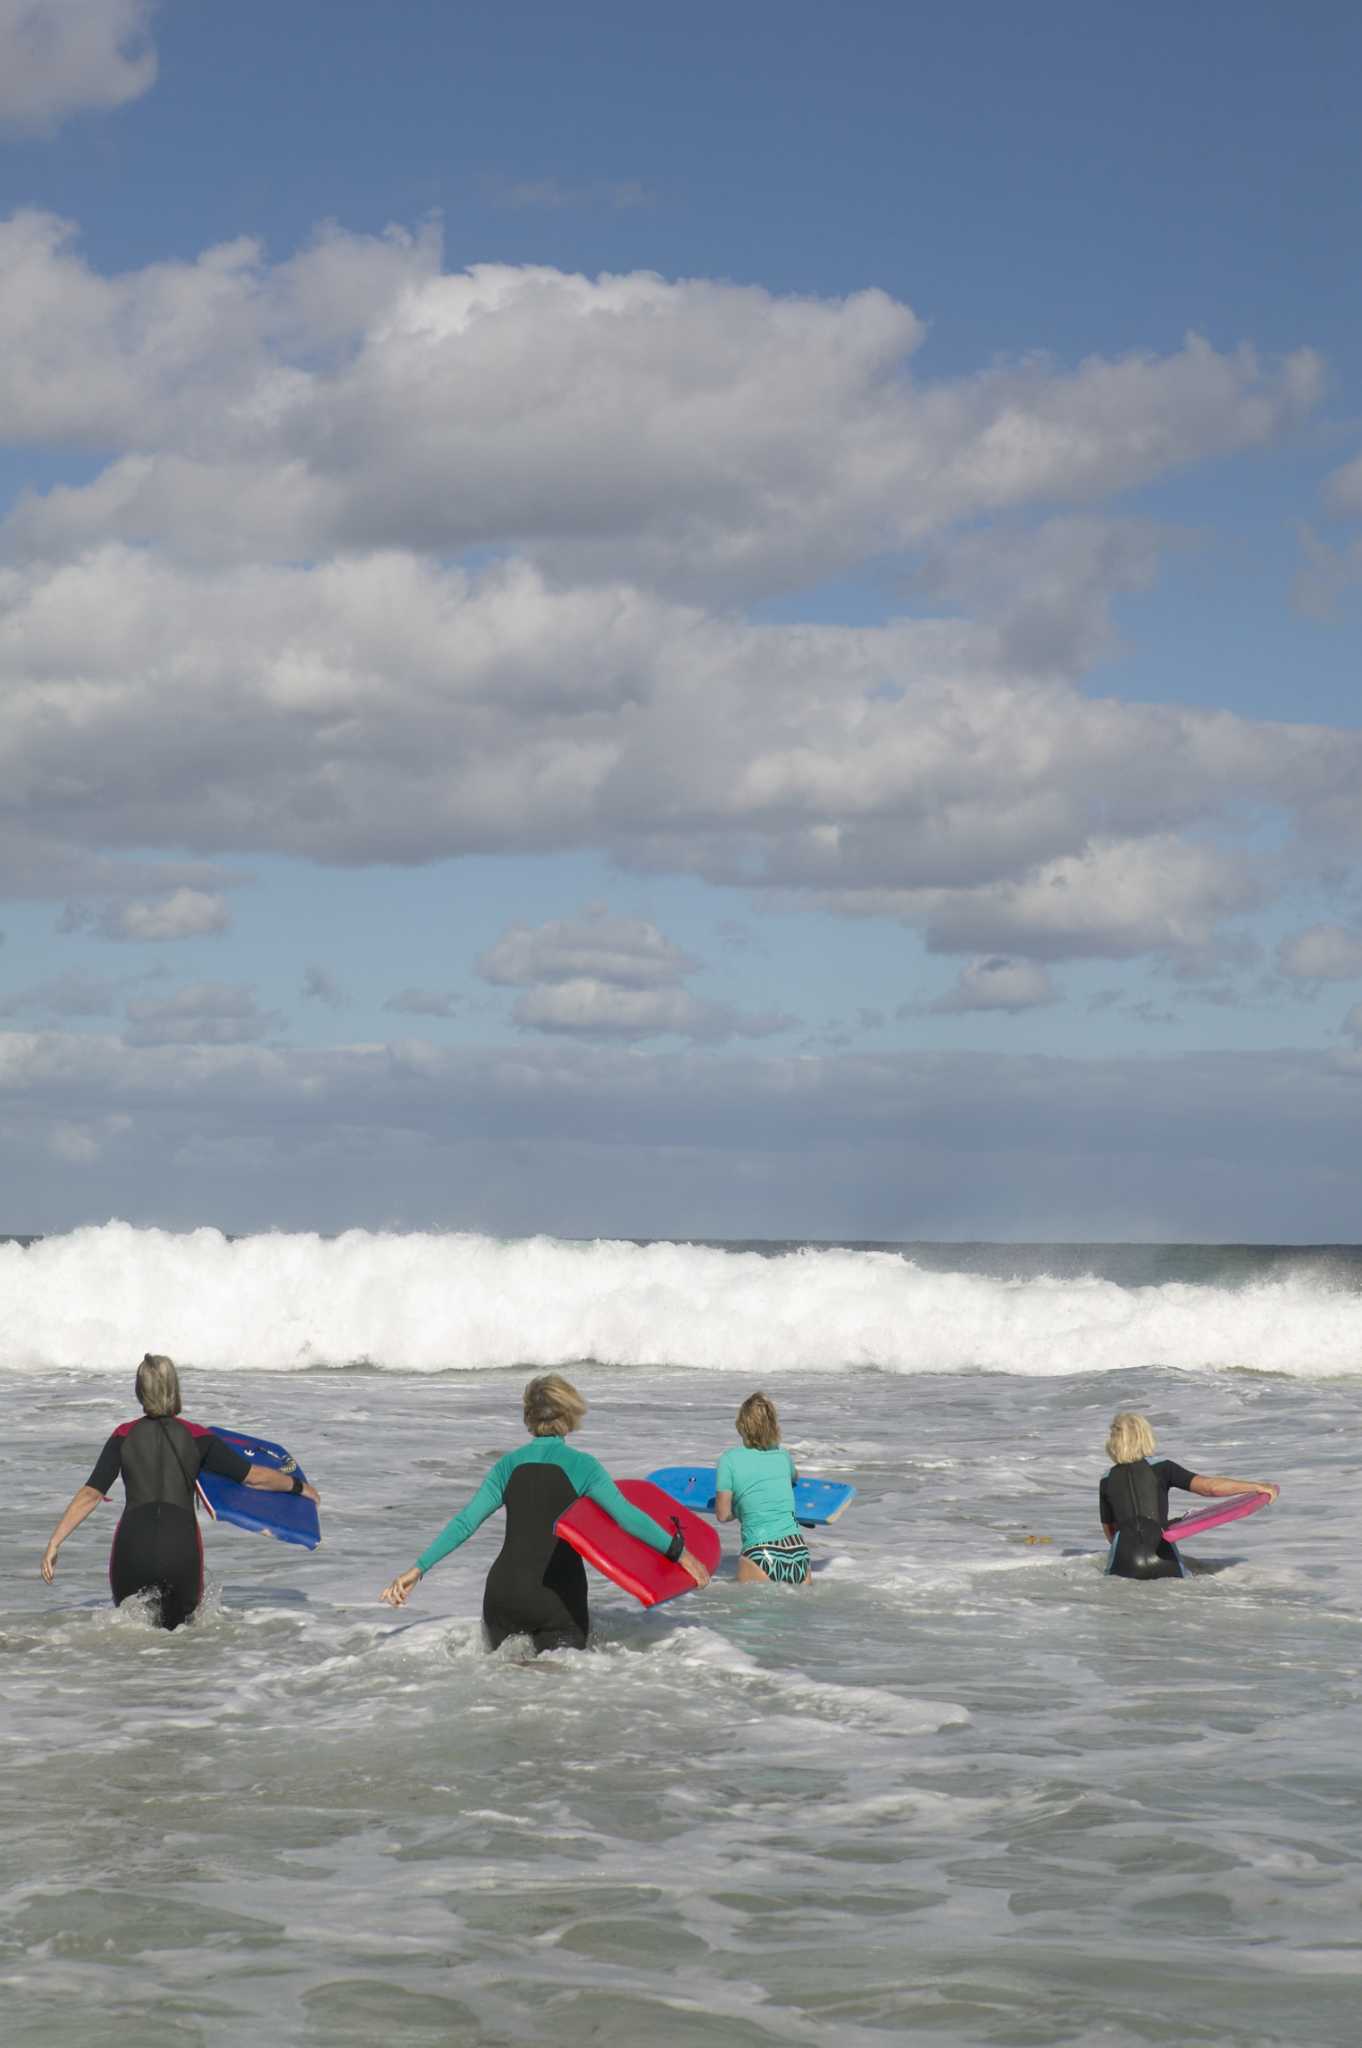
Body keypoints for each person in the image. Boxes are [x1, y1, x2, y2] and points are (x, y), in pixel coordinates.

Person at [380, 1373, 711, 1651]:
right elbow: (626, 1517)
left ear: (528, 1418)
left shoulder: (507, 1466)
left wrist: (418, 1569)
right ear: (569, 1416)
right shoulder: (584, 1467)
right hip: (556, 1599)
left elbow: (466, 1522)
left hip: (502, 1596)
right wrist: (679, 1553)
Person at [41, 1353, 321, 1630]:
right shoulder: (199, 1438)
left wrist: (55, 1542)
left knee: (130, 1639)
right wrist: (298, 1487)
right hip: (180, 1548)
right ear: (175, 1389)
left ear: (139, 1391)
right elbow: (254, 1477)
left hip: (133, 1546)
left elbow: (91, 1493)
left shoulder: (122, 1436)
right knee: (180, 1644)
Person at [1099, 1410, 1278, 1581]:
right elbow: (1210, 1488)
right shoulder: (1162, 1467)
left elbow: (1111, 1535)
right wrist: (1256, 1486)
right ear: (1145, 1438)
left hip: (1124, 1564)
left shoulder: (1106, 1480)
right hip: (1163, 1558)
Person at [714, 1391, 810, 1586]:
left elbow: (723, 1515)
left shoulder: (729, 1460)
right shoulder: (783, 1456)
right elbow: (795, 1477)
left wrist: (740, 1508)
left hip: (760, 1553)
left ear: (741, 1425)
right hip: (799, 1553)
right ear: (773, 1425)